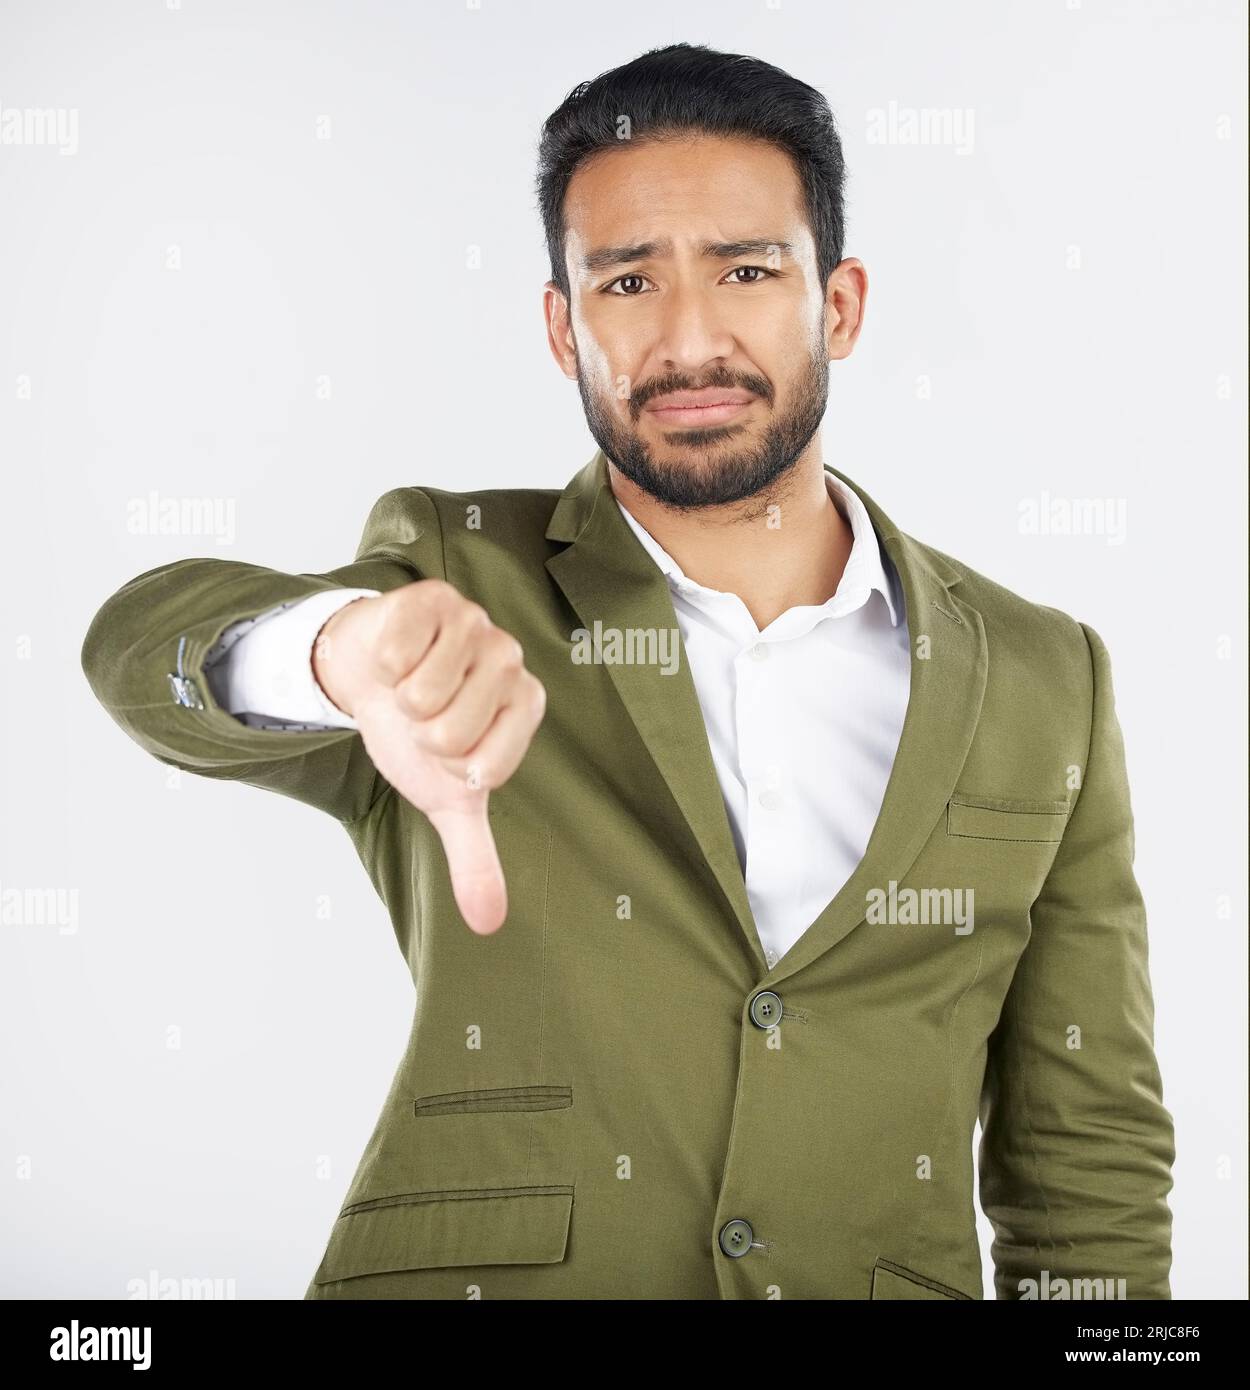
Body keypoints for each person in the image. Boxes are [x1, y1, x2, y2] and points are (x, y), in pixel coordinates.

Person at [81, 42, 1174, 1300]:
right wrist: (332, 653)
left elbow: (1084, 1154)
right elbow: (135, 646)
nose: (688, 338)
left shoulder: (1046, 676)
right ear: (562, 327)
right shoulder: (456, 581)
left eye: (747, 270)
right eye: (627, 282)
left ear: (840, 304)